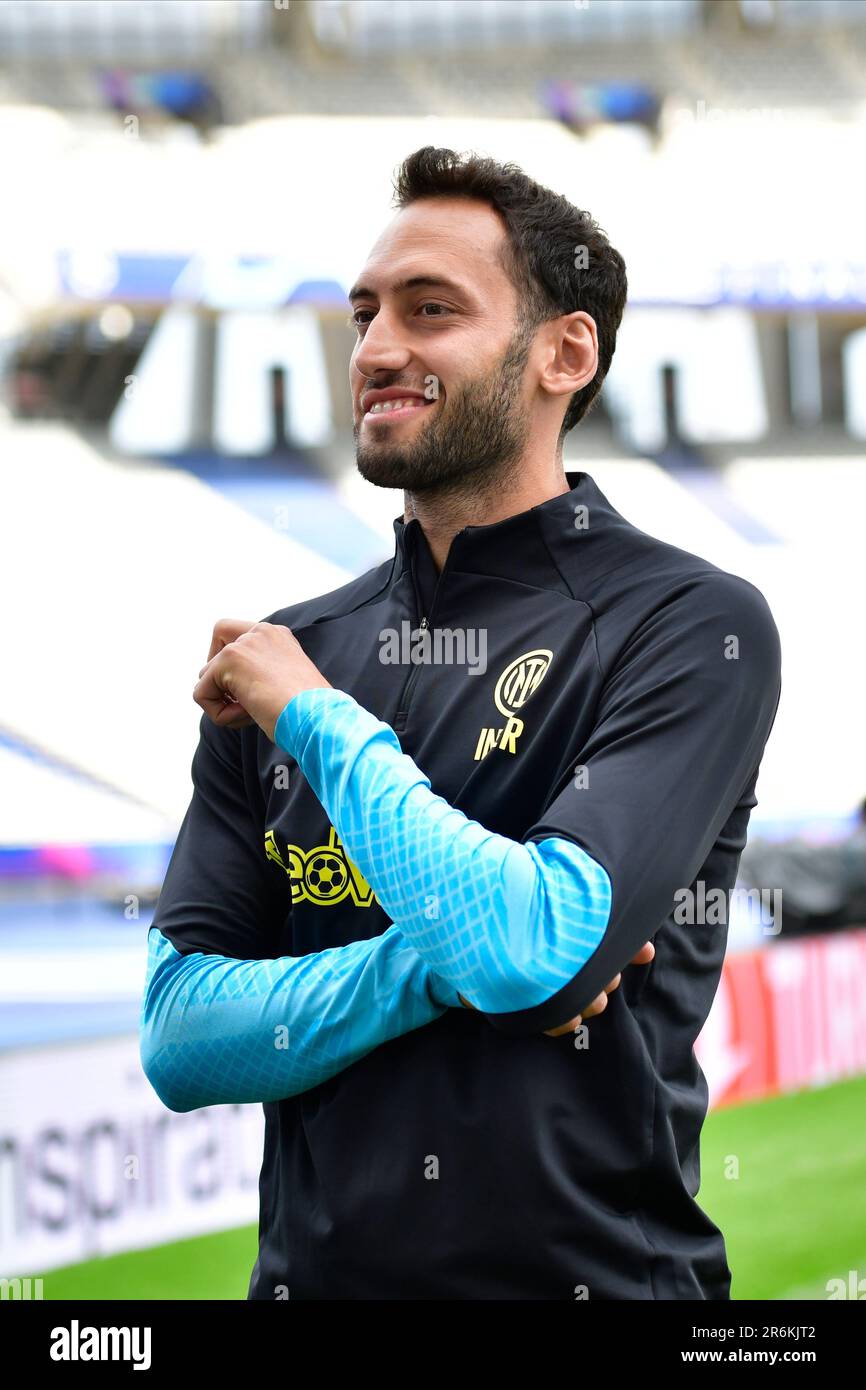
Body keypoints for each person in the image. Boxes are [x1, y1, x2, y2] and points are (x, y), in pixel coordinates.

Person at [140, 147, 782, 1300]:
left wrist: (322, 727)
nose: (377, 348)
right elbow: (180, 1040)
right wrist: (435, 963)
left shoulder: (687, 624)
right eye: (364, 314)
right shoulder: (288, 655)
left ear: (561, 352)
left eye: (431, 311)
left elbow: (531, 956)